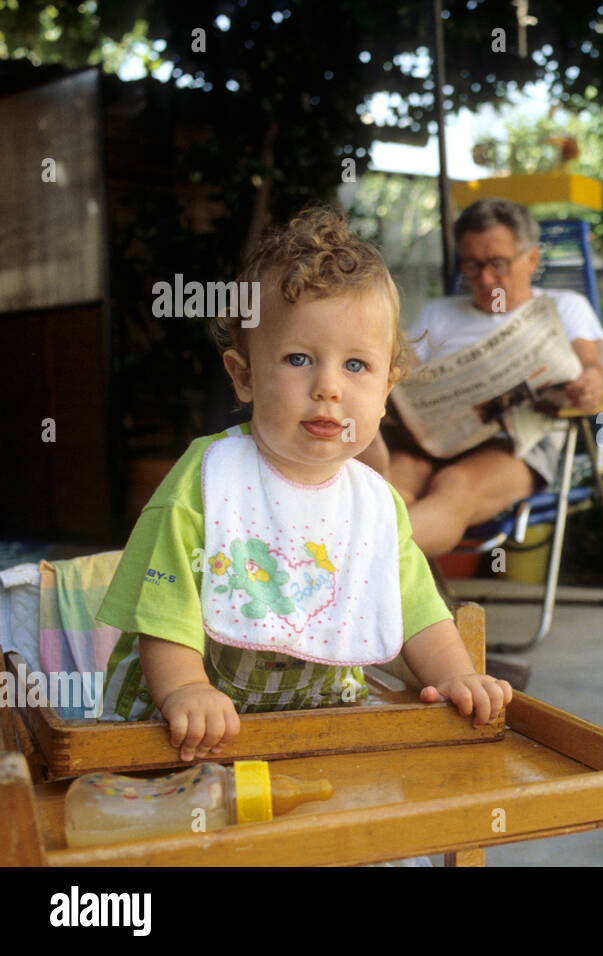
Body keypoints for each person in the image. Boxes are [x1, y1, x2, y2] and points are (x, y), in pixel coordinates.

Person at [95, 206, 512, 763]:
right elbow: (165, 605)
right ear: (243, 376)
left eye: (357, 367)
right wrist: (185, 689)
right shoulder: (210, 479)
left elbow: (417, 610)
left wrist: (459, 675)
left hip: (318, 733)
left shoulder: (375, 504)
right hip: (182, 739)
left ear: (388, 389)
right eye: (298, 359)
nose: (328, 388)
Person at [357, 198, 603, 558]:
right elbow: (399, 375)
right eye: (472, 265)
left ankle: (360, 566)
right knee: (388, 486)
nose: (485, 279)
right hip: (429, 439)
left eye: (497, 264)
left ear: (531, 259)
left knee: (455, 484)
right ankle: (359, 572)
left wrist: (592, 382)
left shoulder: (563, 306)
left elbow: (593, 365)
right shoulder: (441, 312)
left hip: (515, 443)